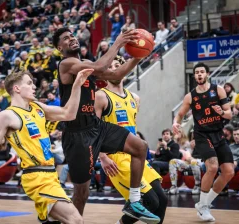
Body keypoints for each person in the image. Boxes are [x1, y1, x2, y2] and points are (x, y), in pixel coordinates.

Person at [53, 27, 160, 223]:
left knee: (140, 146)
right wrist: (118, 43)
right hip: (77, 134)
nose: (72, 38)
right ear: (60, 47)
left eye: (72, 35)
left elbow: (115, 74)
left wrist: (139, 55)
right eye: (66, 38)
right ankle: (68, 220)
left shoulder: (87, 63)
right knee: (81, 194)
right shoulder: (66, 64)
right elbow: (102, 68)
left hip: (95, 126)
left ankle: (135, 201)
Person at [0, 69, 95, 224]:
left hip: (51, 175)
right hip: (36, 176)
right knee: (75, 220)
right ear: (16, 89)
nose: (34, 87)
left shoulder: (37, 107)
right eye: (29, 83)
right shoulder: (7, 115)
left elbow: (68, 113)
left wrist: (77, 86)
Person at [94, 56, 167, 224]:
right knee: (150, 201)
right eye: (110, 67)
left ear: (125, 71)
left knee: (162, 200)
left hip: (136, 157)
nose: (114, 69)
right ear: (104, 75)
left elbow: (131, 128)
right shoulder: (101, 96)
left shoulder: (135, 98)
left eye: (118, 65)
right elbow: (94, 131)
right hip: (116, 158)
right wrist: (103, 157)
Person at [173, 62, 234, 222]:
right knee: (212, 167)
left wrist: (222, 112)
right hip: (201, 135)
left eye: (202, 71)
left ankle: (203, 204)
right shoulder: (191, 96)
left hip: (218, 134)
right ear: (194, 76)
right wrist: (175, 123)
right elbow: (179, 115)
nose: (199, 74)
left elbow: (229, 114)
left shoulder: (218, 90)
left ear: (207, 74)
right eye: (197, 72)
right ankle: (204, 207)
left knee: (229, 172)